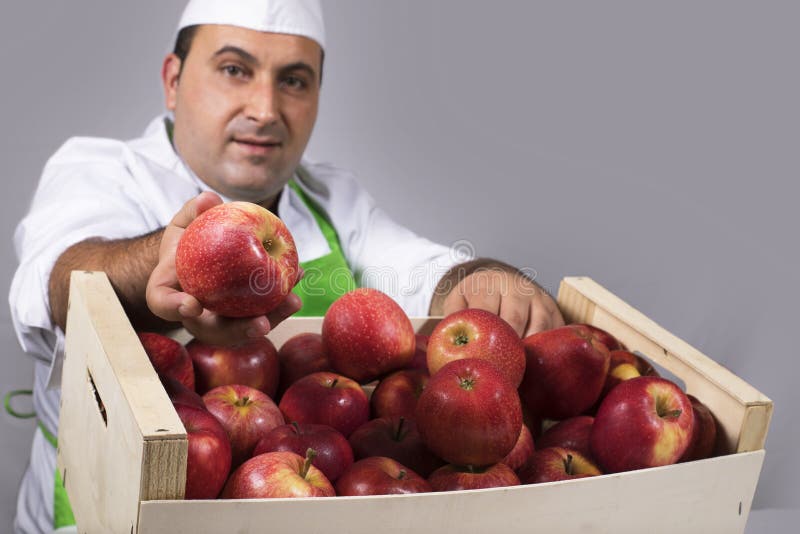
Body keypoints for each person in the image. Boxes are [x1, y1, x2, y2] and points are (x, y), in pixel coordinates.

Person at [7, 0, 564, 532]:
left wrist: (479, 278)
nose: (265, 110)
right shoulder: (97, 170)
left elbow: (420, 267)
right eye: (234, 69)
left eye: (294, 81)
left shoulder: (333, 200)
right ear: (173, 80)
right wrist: (169, 260)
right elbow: (62, 280)